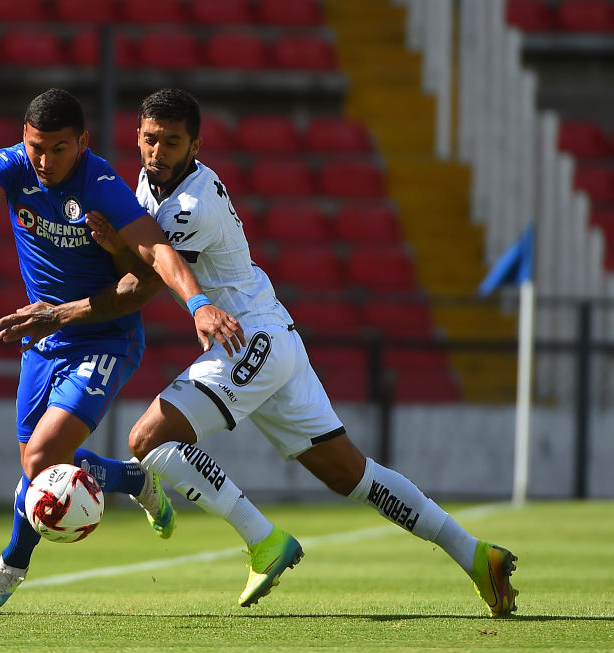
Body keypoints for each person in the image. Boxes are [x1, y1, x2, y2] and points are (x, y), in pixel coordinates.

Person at [84, 88, 519, 615]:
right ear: (138, 136)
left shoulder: (191, 203)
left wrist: (60, 312)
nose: (157, 151)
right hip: (269, 336)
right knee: (349, 474)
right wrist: (116, 248)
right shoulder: (149, 185)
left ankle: (263, 539)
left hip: (247, 337)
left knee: (147, 438)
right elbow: (139, 258)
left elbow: (142, 284)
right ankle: (475, 556)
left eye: (171, 142)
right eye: (150, 139)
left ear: (194, 145)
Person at [0, 88, 244, 615]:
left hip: (105, 336)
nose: (45, 160)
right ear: (24, 139)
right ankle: (132, 478)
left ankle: (12, 564)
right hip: (42, 339)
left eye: (59, 148)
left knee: (40, 460)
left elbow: (157, 250)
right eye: (37, 146)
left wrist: (196, 302)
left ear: (82, 143)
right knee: (38, 465)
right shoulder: (13, 167)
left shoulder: (101, 183)